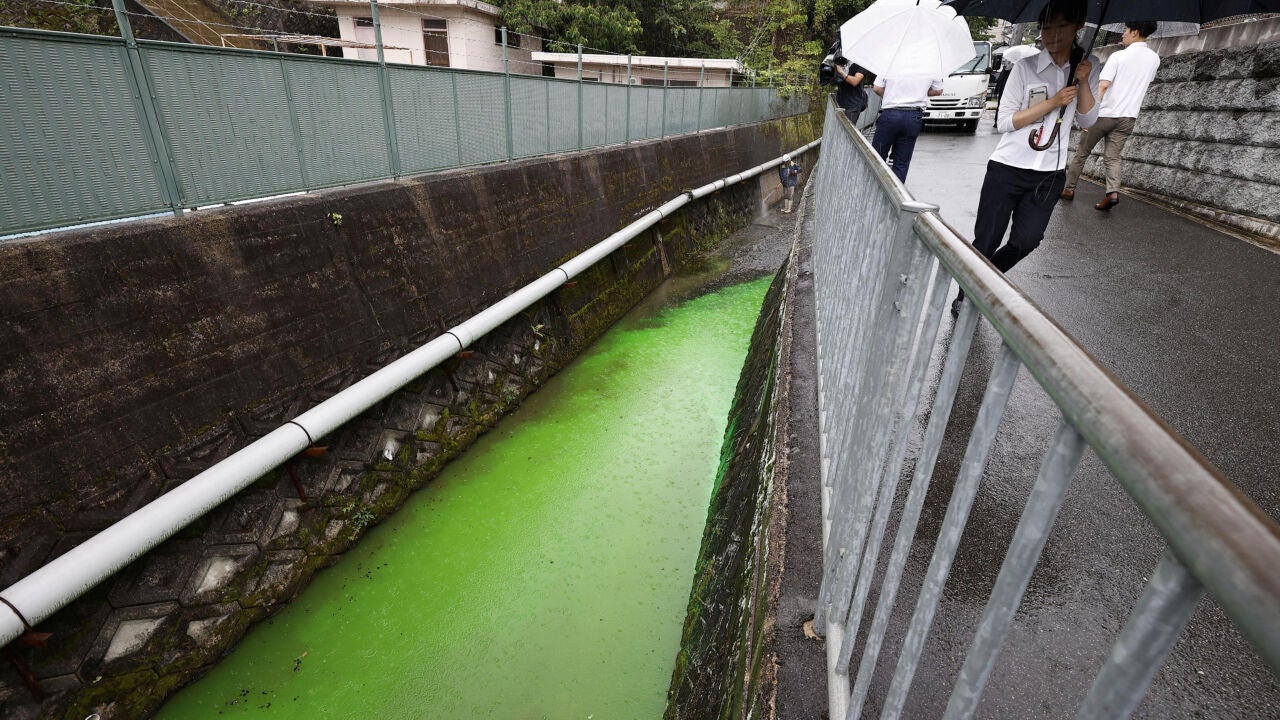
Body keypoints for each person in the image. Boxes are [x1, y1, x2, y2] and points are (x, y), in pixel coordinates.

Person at [953, 0, 1099, 315]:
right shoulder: (1026, 67)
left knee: (1027, 240)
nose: (1052, 35)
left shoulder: (1087, 66)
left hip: (1049, 173)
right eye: (1046, 28)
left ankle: (982, 279)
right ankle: (968, 295)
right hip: (1007, 168)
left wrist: (1084, 81)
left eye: (1061, 27)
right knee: (988, 238)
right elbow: (1005, 121)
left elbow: (1087, 122)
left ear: (1079, 26)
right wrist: (1052, 103)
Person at [1062, 21, 1161, 210]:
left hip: (1104, 113)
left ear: (1135, 32)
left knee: (1082, 152)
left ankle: (1068, 188)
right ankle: (1112, 192)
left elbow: (1103, 86)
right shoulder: (1154, 58)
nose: (1123, 35)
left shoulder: (1118, 56)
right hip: (1129, 117)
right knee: (1113, 157)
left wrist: (1089, 115)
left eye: (1125, 31)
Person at [871, 75, 944, 183]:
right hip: (913, 116)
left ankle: (874, 189)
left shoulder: (890, 62)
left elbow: (877, 88)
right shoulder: (931, 66)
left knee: (877, 157)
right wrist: (920, 92)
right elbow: (938, 91)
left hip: (891, 113)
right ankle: (895, 196)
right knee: (901, 162)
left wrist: (892, 92)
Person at [834, 58, 869, 126]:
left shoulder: (862, 65)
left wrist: (841, 71)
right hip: (840, 102)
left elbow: (855, 81)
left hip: (853, 105)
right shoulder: (843, 62)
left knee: (847, 130)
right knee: (838, 130)